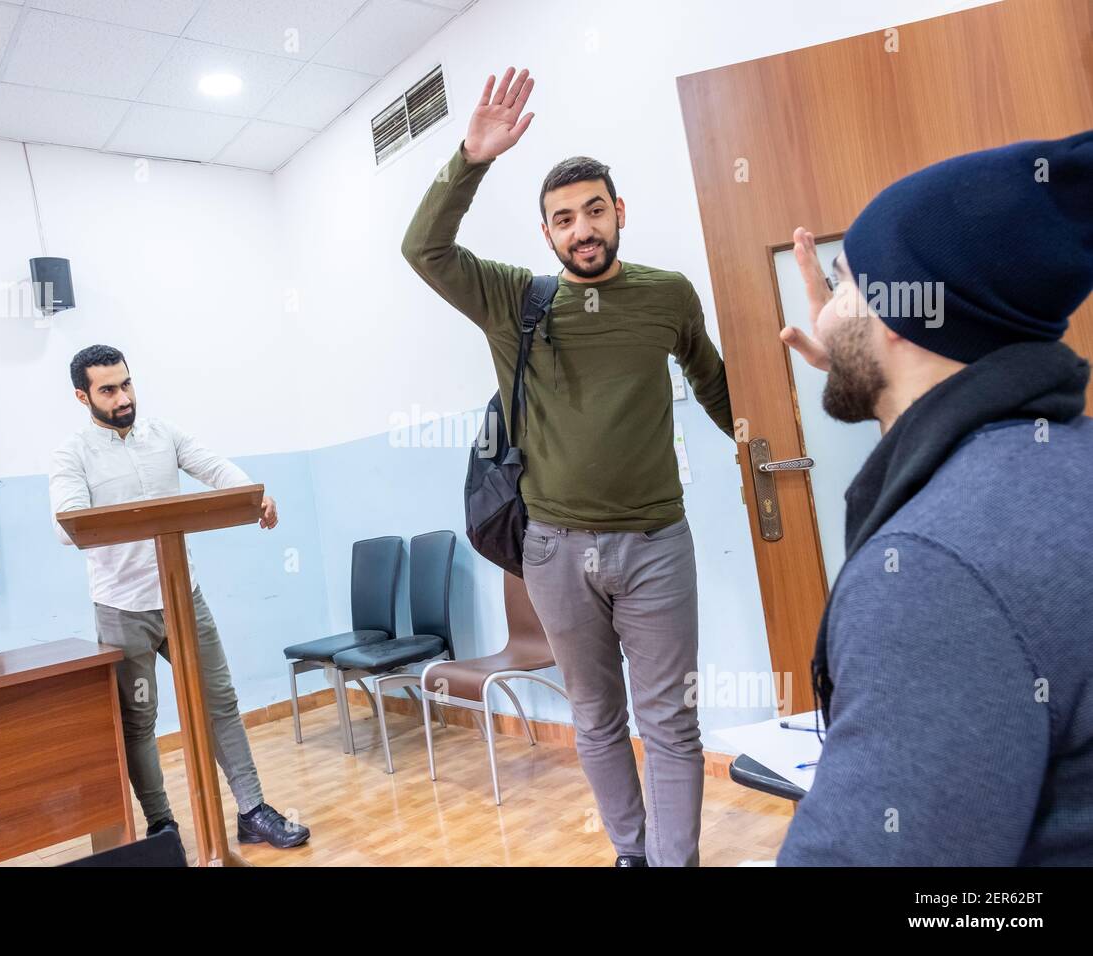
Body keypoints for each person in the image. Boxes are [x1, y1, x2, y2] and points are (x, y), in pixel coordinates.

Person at [402, 68, 736, 867]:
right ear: (546, 233)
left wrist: (763, 448)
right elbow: (424, 248)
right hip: (553, 550)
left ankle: (674, 861)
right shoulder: (515, 301)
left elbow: (715, 381)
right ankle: (630, 851)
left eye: (594, 211)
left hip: (657, 542)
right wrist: (470, 159)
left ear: (619, 214)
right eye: (563, 219)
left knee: (672, 722)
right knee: (595, 716)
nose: (582, 228)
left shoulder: (668, 295)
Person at [777, 130, 1093, 864]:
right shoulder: (1051, 469)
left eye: (843, 279)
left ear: (895, 317)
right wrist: (872, 374)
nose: (824, 308)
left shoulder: (933, 574)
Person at [49, 344, 310, 850]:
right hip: (123, 608)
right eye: (107, 389)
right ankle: (161, 825)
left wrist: (254, 495)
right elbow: (68, 526)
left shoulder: (164, 434)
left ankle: (252, 811)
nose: (122, 396)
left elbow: (215, 469)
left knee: (220, 702)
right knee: (139, 719)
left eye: (126, 384)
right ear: (83, 396)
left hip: (183, 597)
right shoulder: (71, 453)